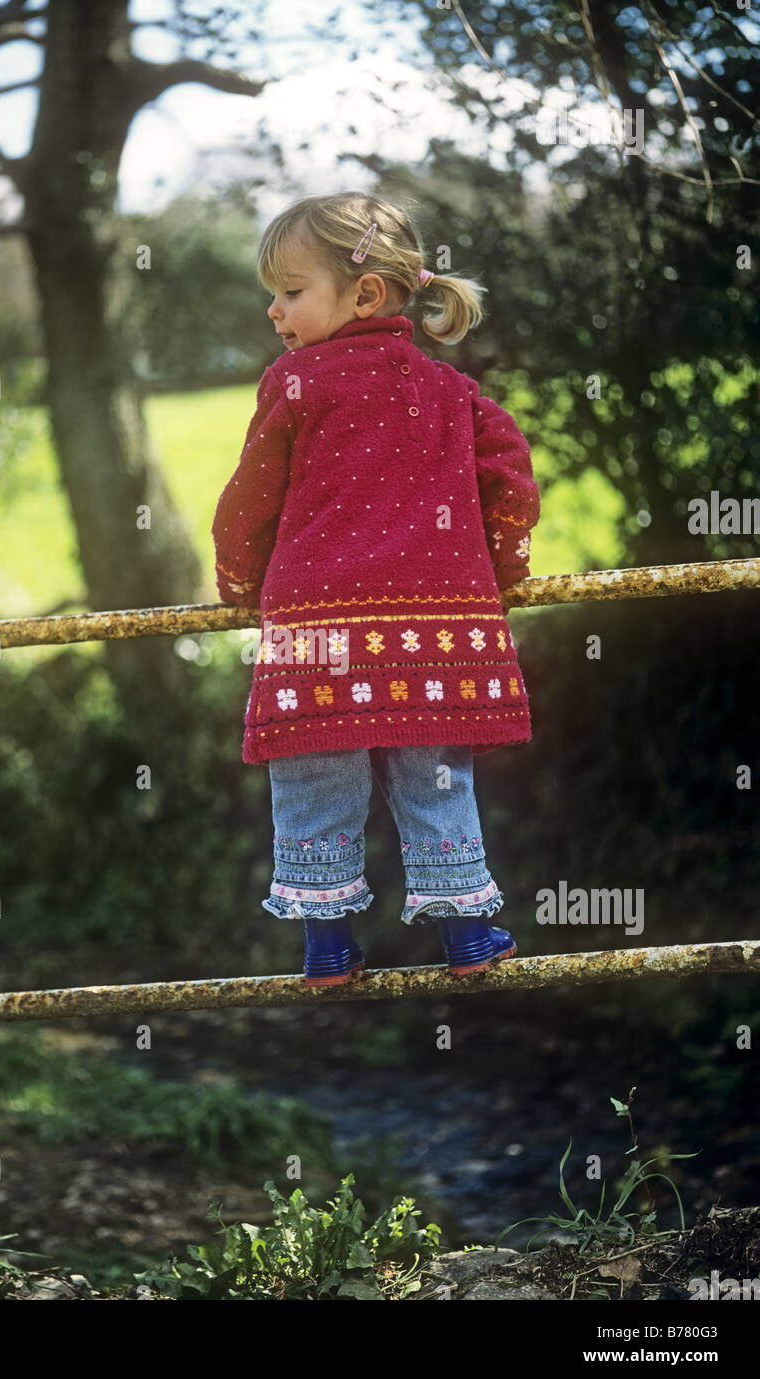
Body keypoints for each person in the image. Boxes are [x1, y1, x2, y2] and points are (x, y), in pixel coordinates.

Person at [211, 192, 540, 986]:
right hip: (433, 633)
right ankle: (467, 936)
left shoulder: (292, 385)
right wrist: (504, 570)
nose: (273, 310)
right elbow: (511, 482)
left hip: (316, 632)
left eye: (292, 292)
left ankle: (326, 946)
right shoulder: (452, 392)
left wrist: (236, 582)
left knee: (316, 778)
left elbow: (249, 501)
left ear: (363, 295)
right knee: (436, 777)